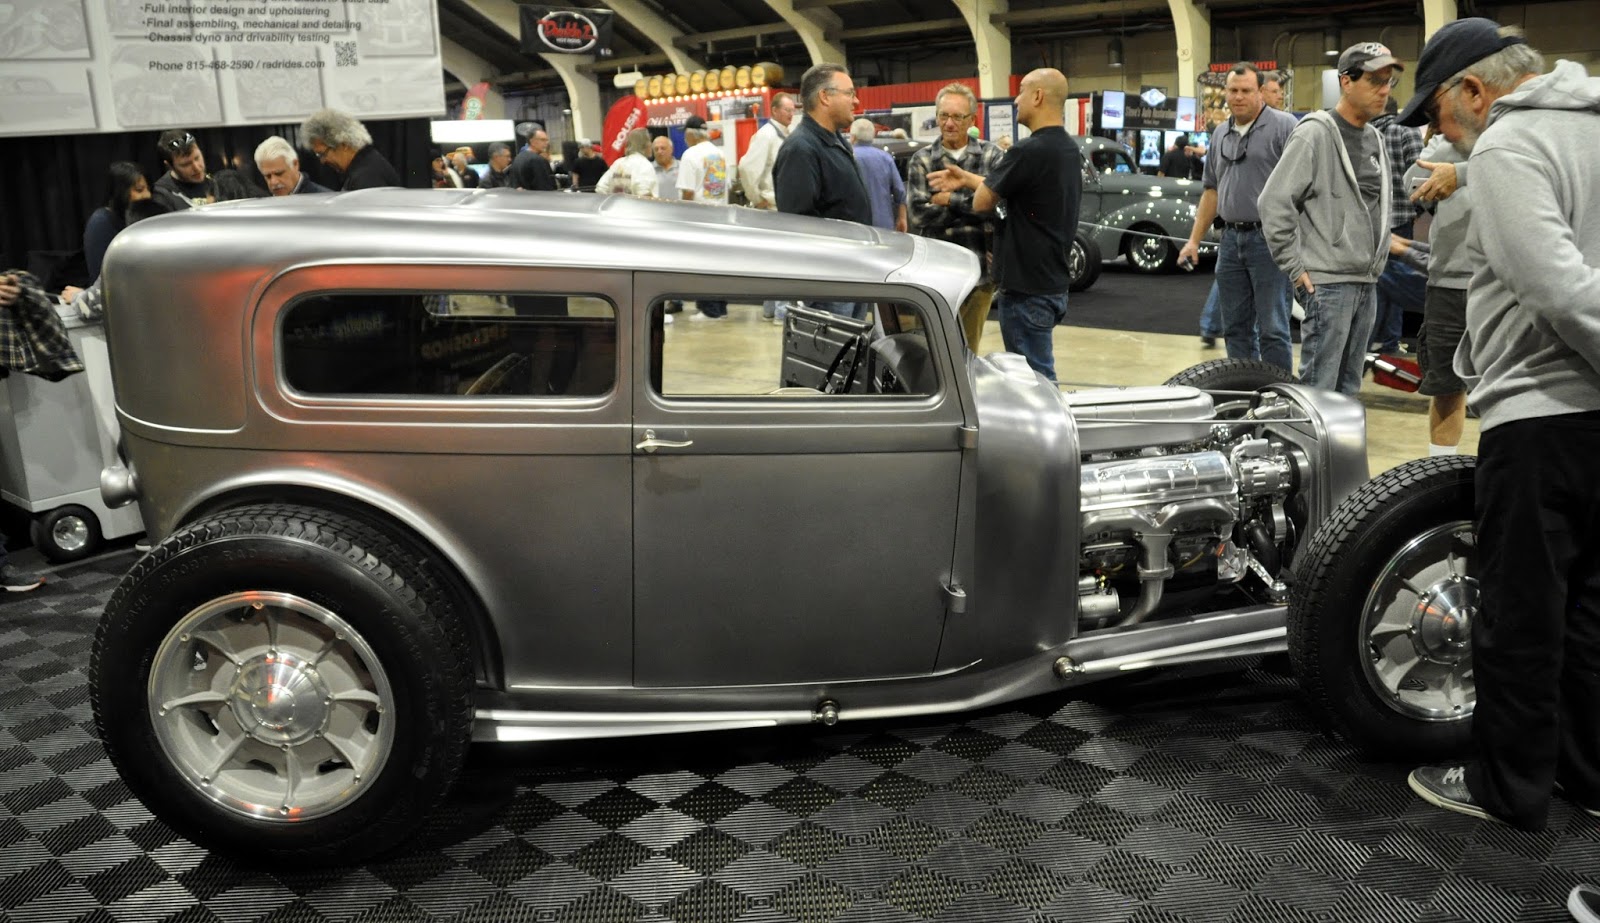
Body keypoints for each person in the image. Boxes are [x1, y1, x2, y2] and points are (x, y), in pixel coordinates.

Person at [1399, 19, 1600, 834]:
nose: (1442, 134)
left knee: (1521, 616)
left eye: (1438, 113)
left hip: (1539, 415)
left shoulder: (1509, 145)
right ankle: (1587, 773)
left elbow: (1557, 289)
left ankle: (1507, 788)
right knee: (1591, 611)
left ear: (1475, 91)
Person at [1258, 43, 1399, 394]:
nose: (1384, 90)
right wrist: (1294, 267)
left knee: (1348, 389)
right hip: (1328, 284)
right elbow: (1274, 201)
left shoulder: (1375, 139)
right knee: (1319, 392)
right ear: (1346, 82)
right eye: (1375, 81)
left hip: (1367, 282)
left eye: (1388, 81)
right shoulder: (1315, 133)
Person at [928, 68, 1082, 382]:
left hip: (1026, 289)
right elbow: (1010, 189)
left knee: (1034, 382)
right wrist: (967, 178)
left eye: (1021, 90)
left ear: (1037, 96)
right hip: (1051, 282)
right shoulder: (1066, 147)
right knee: (1037, 374)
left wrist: (950, 198)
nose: (1015, 100)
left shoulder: (1028, 150)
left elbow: (982, 202)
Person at [1178, 63, 1298, 372]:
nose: (1239, 97)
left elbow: (1305, 184)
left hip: (1270, 240)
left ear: (1260, 92)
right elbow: (1211, 191)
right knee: (1235, 328)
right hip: (1230, 241)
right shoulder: (1220, 133)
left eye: (1246, 90)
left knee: (1273, 328)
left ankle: (1278, 391)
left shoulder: (1284, 127)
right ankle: (1244, 388)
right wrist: (1193, 241)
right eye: (1233, 90)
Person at [906, 82, 1004, 350]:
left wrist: (949, 200)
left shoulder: (992, 156)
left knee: (967, 353)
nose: (949, 123)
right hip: (933, 275)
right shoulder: (922, 160)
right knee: (929, 351)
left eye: (957, 117)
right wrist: (976, 207)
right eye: (943, 115)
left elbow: (999, 210)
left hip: (979, 274)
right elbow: (919, 215)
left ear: (972, 120)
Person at [1400, 133, 1471, 455]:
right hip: (1448, 280)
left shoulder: (1514, 133)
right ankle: (1441, 468)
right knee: (1446, 386)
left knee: (1510, 389)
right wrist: (1458, 141)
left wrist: (1460, 172)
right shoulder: (1445, 140)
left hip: (1504, 282)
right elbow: (1411, 184)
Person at [773, 63, 871, 225]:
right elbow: (798, 225)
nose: (856, 101)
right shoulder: (800, 150)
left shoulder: (836, 142)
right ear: (825, 97)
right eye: (850, 93)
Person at [1369, 97, 1426, 353]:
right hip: (1400, 219)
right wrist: (1418, 209)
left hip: (1370, 224)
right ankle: (1390, 343)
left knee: (1375, 283)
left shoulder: (1362, 133)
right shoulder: (1406, 131)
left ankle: (1369, 341)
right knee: (1397, 284)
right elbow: (1420, 174)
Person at [676, 116, 731, 321]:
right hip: (720, 217)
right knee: (719, 265)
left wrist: (683, 219)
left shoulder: (690, 155)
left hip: (699, 220)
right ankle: (720, 309)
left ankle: (709, 310)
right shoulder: (720, 154)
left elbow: (688, 192)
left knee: (701, 265)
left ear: (691, 134)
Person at [300, 108, 401, 190]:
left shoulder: (365, 179)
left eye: (323, 154)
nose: (322, 161)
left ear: (344, 145)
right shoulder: (369, 163)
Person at [84, 162, 149, 281]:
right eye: (139, 190)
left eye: (148, 189)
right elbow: (101, 278)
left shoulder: (140, 216)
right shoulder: (101, 222)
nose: (147, 195)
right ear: (120, 192)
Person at [739, 92, 795, 210]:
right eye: (787, 110)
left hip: (785, 204)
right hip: (770, 207)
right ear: (774, 110)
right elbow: (747, 168)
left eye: (792, 110)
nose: (791, 114)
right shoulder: (765, 135)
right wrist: (757, 199)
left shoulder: (787, 134)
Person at [849, 119, 906, 232]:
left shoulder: (847, 157)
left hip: (855, 226)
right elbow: (900, 192)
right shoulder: (886, 158)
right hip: (884, 226)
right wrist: (902, 218)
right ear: (873, 136)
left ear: (853, 137)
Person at [151, 129, 216, 211]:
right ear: (170, 166)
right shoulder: (162, 195)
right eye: (186, 164)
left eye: (197, 158)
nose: (196, 168)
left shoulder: (213, 181)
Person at [254, 136, 331, 197]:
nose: (274, 182)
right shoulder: (262, 205)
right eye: (268, 176)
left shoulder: (324, 199)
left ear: (295, 164)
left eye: (279, 174)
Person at [595, 128, 659, 197]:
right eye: (650, 141)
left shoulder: (618, 163)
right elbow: (644, 193)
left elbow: (600, 188)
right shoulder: (644, 165)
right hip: (637, 204)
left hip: (616, 203)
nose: (651, 144)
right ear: (645, 145)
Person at [511, 123, 557, 191]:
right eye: (543, 140)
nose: (546, 143)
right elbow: (544, 186)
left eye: (547, 140)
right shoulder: (538, 160)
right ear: (532, 141)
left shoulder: (517, 158)